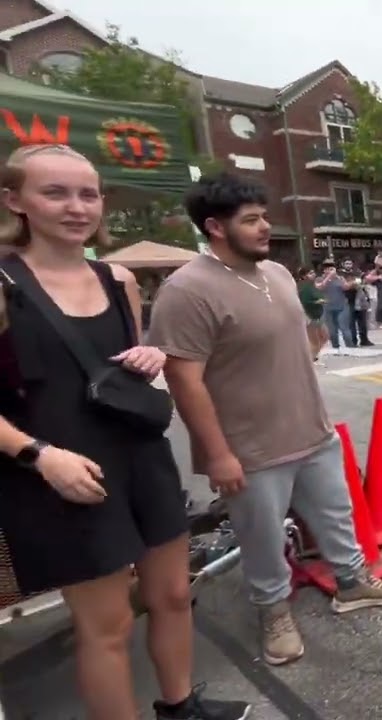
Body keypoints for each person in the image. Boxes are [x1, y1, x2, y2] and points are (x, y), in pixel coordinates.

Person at [0, 145, 248, 720]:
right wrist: (39, 456)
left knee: (171, 595)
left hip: (141, 457)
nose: (76, 207)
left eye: (87, 193)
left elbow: (126, 366)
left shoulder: (118, 280)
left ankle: (180, 706)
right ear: (16, 201)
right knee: (106, 625)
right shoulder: (4, 283)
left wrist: (146, 358)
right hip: (58, 474)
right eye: (55, 193)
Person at [148, 172, 382, 668]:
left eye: (264, 216)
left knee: (337, 514)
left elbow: (302, 340)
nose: (266, 227)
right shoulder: (185, 290)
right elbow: (184, 380)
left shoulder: (279, 275)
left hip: (311, 430)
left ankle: (351, 582)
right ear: (215, 227)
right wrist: (219, 454)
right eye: (251, 220)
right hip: (248, 448)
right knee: (262, 536)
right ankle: (273, 610)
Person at [317, 259, 353, 350]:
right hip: (328, 307)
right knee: (332, 331)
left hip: (342, 306)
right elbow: (320, 287)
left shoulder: (339, 278)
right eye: (328, 269)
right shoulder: (320, 279)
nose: (330, 270)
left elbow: (345, 287)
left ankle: (350, 347)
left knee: (344, 328)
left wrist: (352, 283)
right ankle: (336, 347)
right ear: (324, 270)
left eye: (332, 268)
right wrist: (328, 277)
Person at [296, 266, 327, 363]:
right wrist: (316, 302)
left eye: (313, 272)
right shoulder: (303, 286)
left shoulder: (312, 285)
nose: (313, 274)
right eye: (310, 273)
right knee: (315, 341)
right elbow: (303, 301)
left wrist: (321, 300)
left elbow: (319, 293)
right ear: (304, 276)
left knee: (324, 337)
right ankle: (309, 359)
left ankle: (312, 356)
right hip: (309, 315)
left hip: (318, 314)